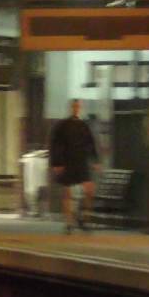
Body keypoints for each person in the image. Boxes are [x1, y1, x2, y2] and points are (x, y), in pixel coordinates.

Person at [48, 99, 99, 234]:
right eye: (74, 106)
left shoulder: (83, 125)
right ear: (71, 108)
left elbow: (90, 143)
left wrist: (95, 160)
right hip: (68, 161)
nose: (76, 109)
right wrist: (57, 163)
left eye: (78, 106)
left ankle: (84, 218)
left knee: (89, 190)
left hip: (81, 162)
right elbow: (55, 145)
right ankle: (69, 223)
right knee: (67, 193)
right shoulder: (62, 125)